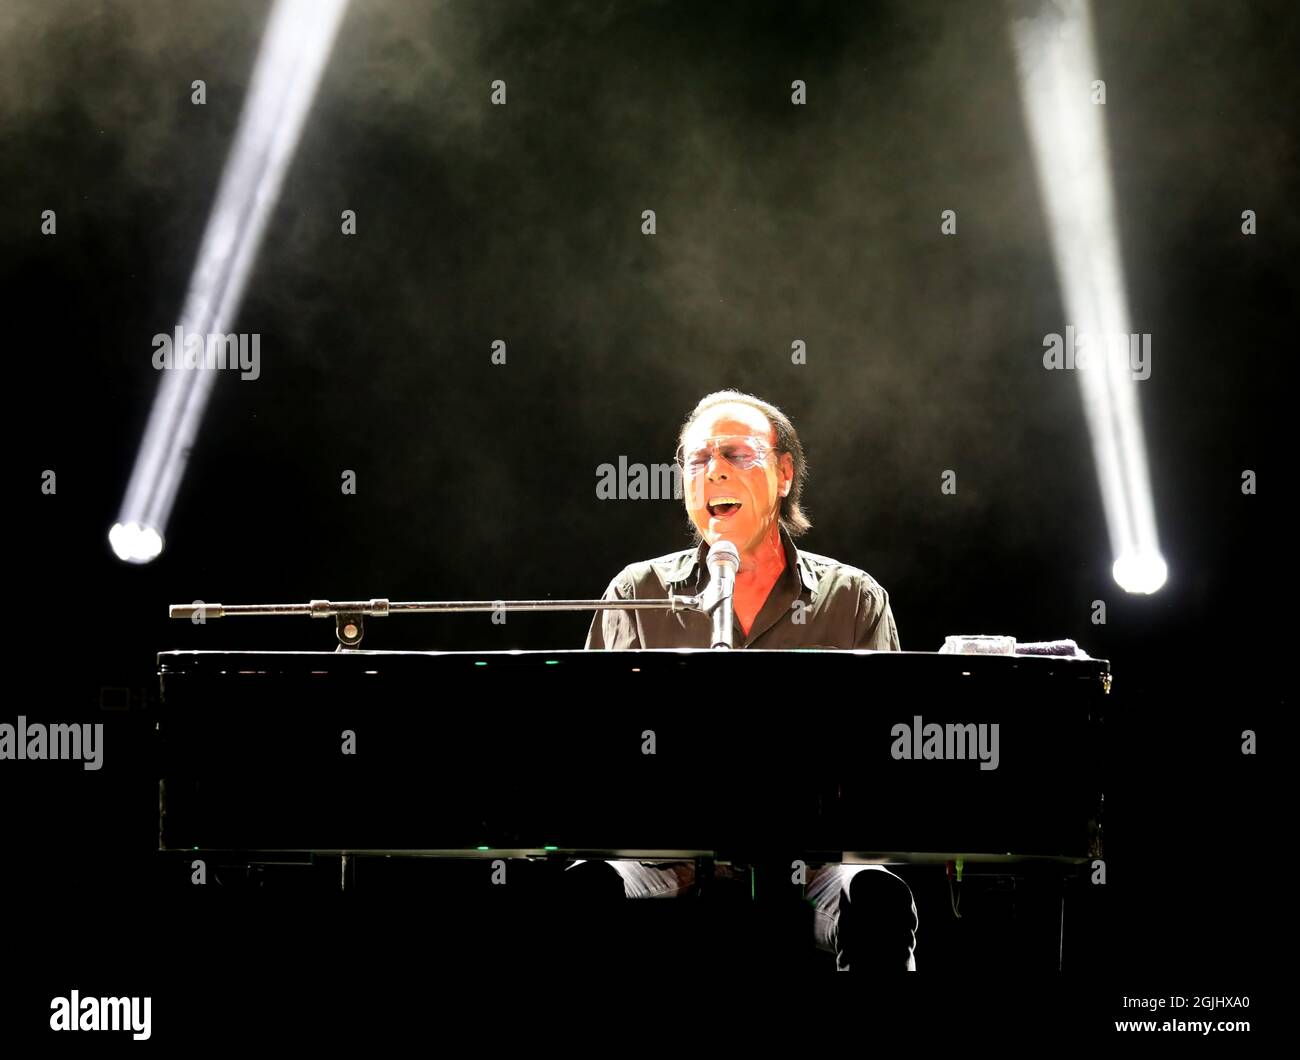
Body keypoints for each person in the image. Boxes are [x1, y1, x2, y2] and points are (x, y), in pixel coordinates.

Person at [577, 389, 917, 970]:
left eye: (736, 453)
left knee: (879, 899)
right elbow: (588, 745)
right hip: (663, 856)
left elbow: (885, 761)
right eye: (697, 459)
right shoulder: (638, 593)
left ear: (784, 474)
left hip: (815, 864)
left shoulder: (853, 599)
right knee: (581, 890)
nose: (715, 471)